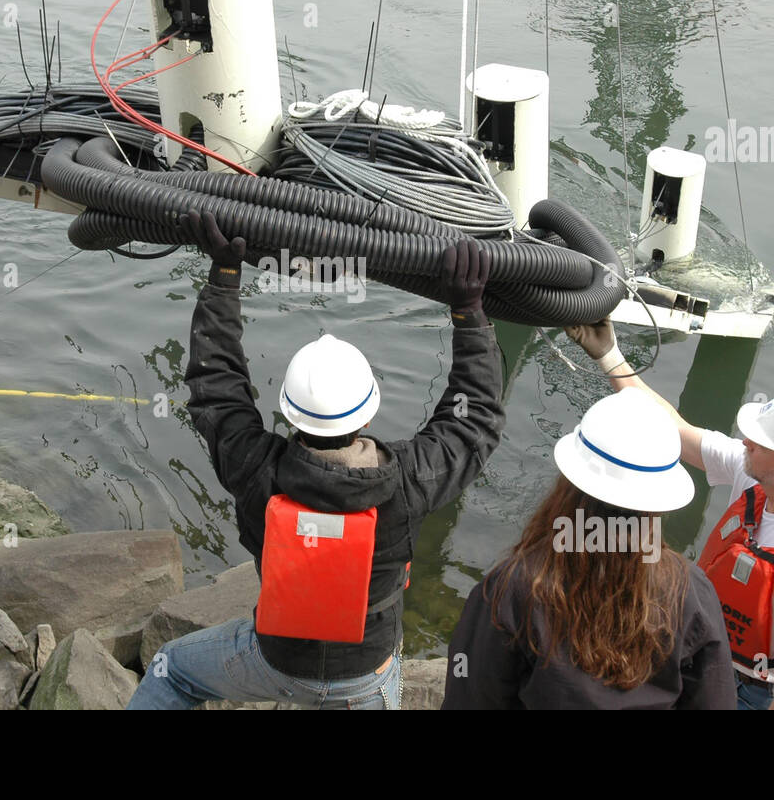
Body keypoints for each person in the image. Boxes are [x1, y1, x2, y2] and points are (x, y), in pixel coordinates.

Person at [127, 212, 505, 709]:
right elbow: (473, 418)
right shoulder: (410, 483)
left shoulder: (254, 467)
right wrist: (469, 311)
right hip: (365, 675)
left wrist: (223, 277)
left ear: (288, 413)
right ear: (368, 415)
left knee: (171, 669)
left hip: (276, 661)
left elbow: (216, 388)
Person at [564, 318, 774, 710]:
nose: (745, 442)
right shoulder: (759, 475)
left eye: (760, 443)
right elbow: (675, 431)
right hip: (712, 663)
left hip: (768, 694)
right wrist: (609, 356)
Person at [442, 387, 736, 709]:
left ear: (569, 486)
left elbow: (472, 699)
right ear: (658, 505)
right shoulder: (691, 590)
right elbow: (714, 700)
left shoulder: (513, 588)